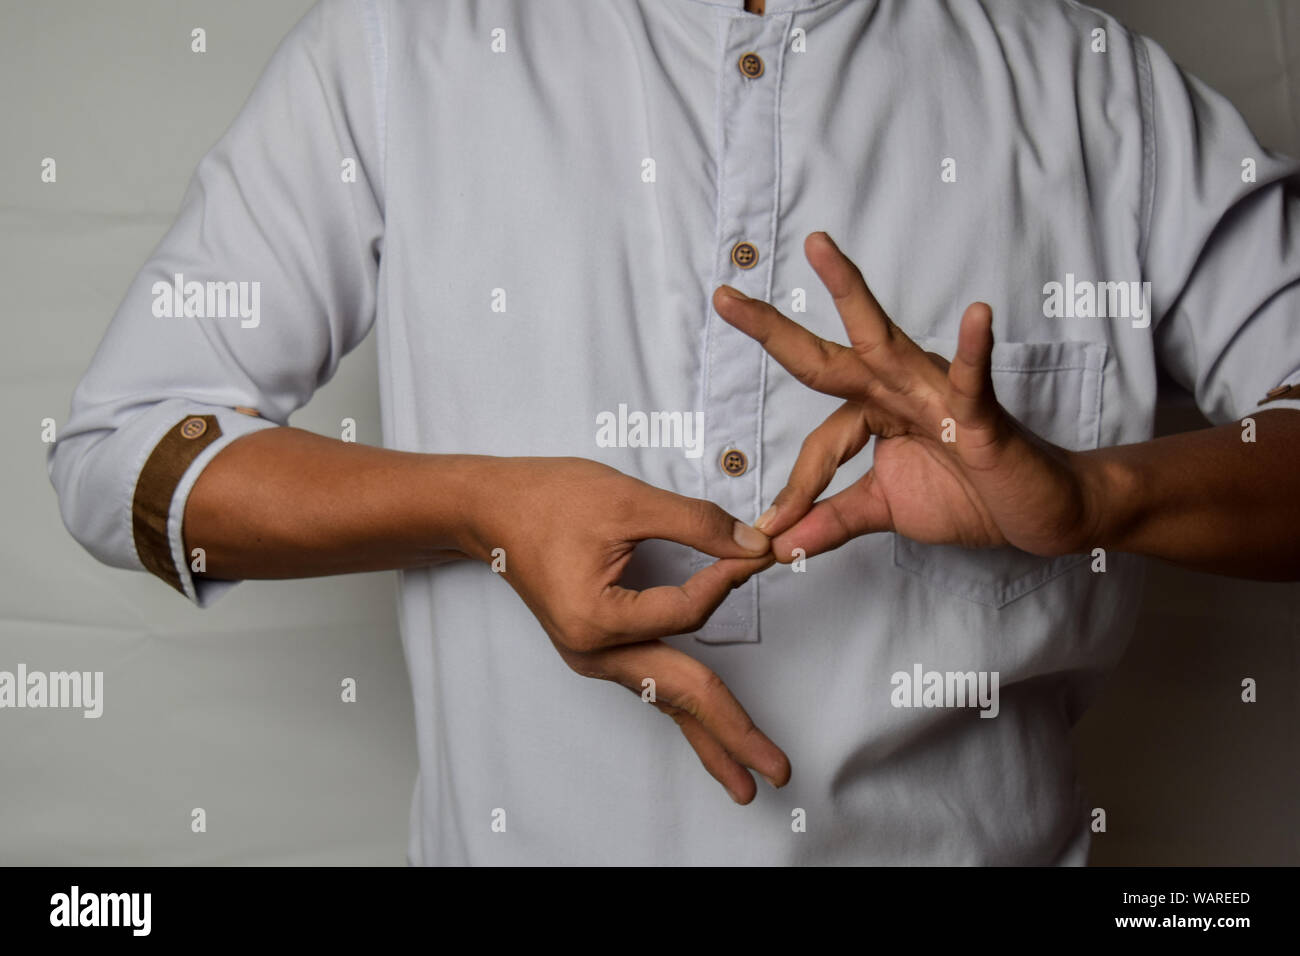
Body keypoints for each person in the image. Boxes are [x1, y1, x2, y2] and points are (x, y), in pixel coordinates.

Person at [48, 0, 1300, 865]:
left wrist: (1094, 496)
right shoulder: (404, 43)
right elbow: (122, 456)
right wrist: (479, 509)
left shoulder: (1096, 87)